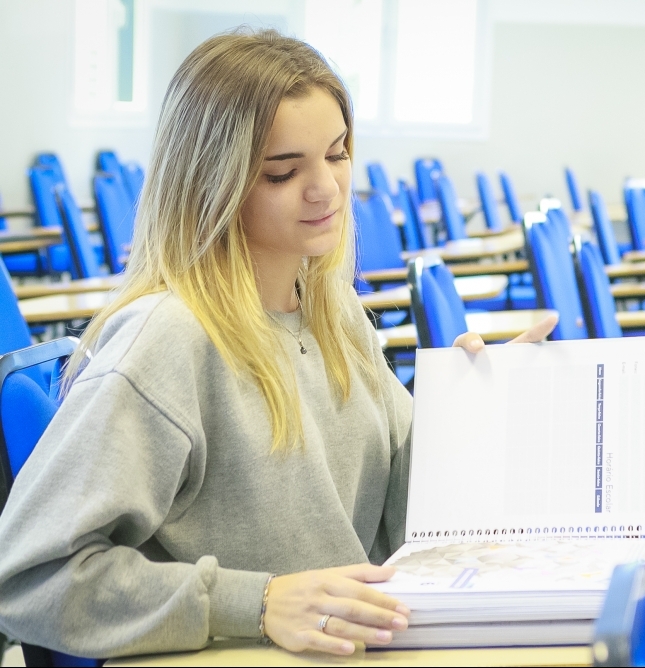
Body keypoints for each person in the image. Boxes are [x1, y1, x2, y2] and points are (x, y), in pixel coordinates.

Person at [0, 29, 556, 659]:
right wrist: (255, 602)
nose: (326, 188)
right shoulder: (170, 341)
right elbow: (27, 579)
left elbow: (406, 525)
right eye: (283, 171)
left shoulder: (333, 313)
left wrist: (473, 410)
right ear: (215, 183)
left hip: (358, 644)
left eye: (338, 154)